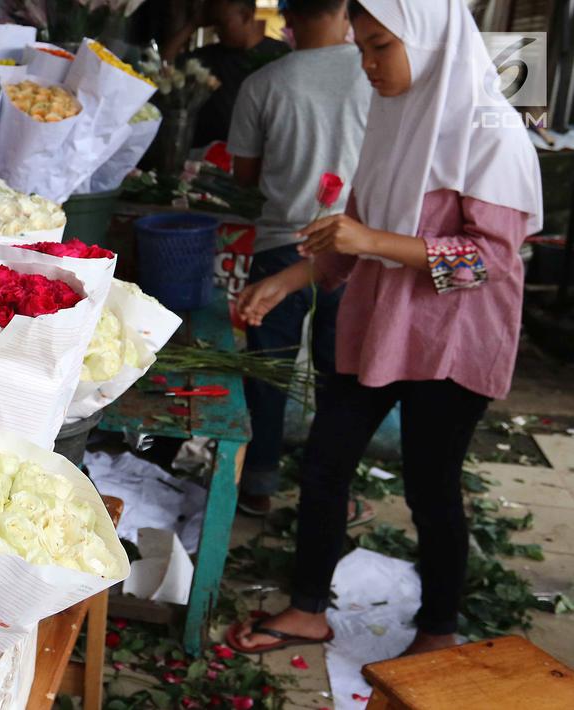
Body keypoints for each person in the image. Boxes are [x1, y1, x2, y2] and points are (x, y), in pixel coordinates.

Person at [227, 0, 543, 657]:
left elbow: (485, 266)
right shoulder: (395, 118)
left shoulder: (490, 134)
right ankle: (309, 607)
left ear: (428, 42)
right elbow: (353, 241)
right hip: (377, 329)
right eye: (363, 46)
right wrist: (285, 280)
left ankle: (436, 633)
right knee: (322, 465)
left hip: (450, 341)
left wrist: (373, 237)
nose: (366, 64)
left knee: (430, 490)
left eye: (380, 48)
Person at [225, 0, 372, 521]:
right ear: (347, 9)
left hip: (280, 244)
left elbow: (244, 175)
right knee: (343, 377)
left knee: (269, 370)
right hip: (356, 246)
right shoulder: (377, 69)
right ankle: (331, 492)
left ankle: (258, 483)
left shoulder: (264, 82)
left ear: (287, 13)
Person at [182, 0, 291, 147]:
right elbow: (165, 65)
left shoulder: (280, 55)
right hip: (207, 153)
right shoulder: (211, 54)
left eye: (221, 23)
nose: (216, 31)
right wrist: (192, 25)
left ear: (246, 16)